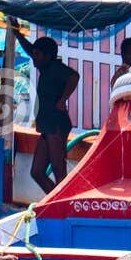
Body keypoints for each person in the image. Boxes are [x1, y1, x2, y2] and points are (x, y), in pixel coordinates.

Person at [12, 29, 80, 193]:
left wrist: (63, 99)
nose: (33, 57)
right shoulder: (45, 67)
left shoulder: (56, 67)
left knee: (59, 169)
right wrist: (17, 33)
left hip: (56, 124)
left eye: (37, 54)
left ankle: (62, 207)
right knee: (37, 172)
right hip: (46, 126)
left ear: (48, 56)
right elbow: (30, 49)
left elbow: (74, 77)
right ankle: (54, 203)